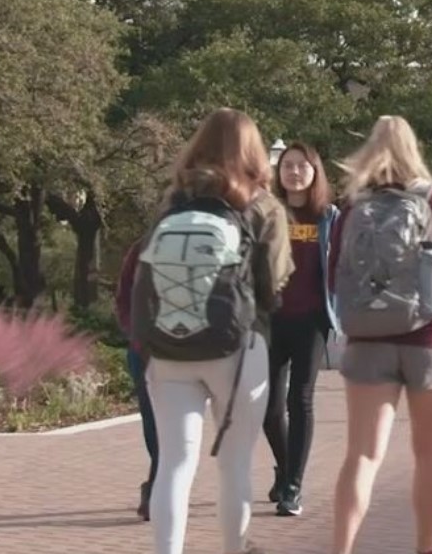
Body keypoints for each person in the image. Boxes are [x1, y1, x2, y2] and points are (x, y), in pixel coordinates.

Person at [326, 115, 432, 554]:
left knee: (362, 454)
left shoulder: (354, 207)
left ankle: (341, 548)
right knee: (431, 452)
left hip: (368, 343)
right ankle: (426, 547)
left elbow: (333, 272)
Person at [136, 108, 293, 554]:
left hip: (168, 348)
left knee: (174, 463)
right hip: (238, 347)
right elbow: (273, 283)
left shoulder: (172, 202)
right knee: (235, 464)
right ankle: (234, 548)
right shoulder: (262, 205)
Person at [264, 140, 338, 517]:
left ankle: (293, 486)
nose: (293, 172)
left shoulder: (328, 216)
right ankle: (284, 466)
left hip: (311, 320)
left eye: (301, 166)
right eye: (287, 165)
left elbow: (341, 266)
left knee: (301, 399)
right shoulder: (269, 213)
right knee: (269, 406)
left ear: (314, 172)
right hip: (272, 319)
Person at [114, 237, 159, 522]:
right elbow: (122, 297)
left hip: (188, 354)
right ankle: (154, 486)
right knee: (153, 425)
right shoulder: (142, 247)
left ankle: (155, 490)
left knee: (172, 431)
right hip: (143, 351)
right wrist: (134, 334)